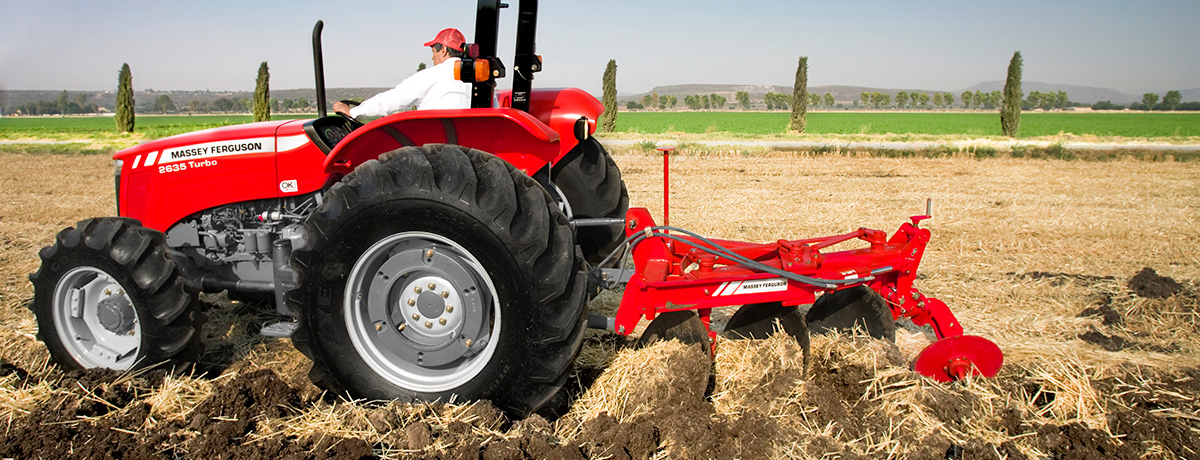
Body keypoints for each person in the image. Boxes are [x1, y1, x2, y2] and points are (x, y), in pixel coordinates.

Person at [333, 28, 472, 119]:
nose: (432, 58)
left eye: (433, 52)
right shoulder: (478, 81)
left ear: (443, 50)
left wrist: (353, 112)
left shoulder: (432, 75)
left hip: (436, 150)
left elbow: (390, 101)